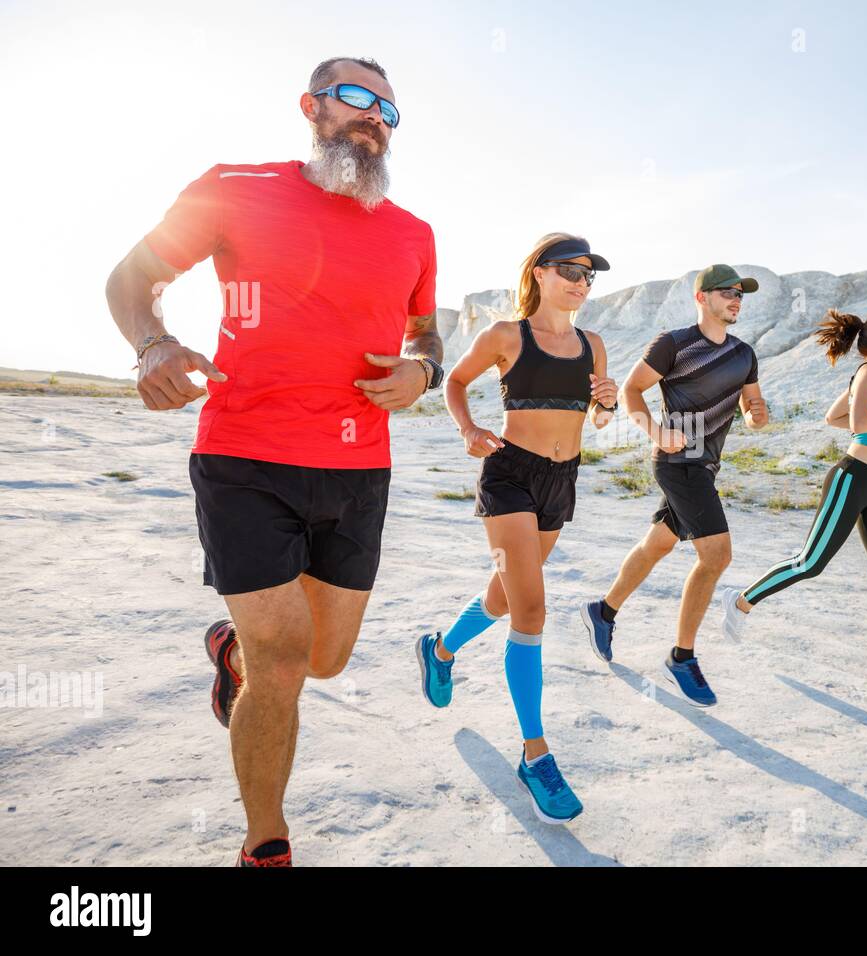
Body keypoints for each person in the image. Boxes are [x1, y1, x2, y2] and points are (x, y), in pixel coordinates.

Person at [105, 56, 442, 866]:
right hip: (245, 458)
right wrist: (152, 344)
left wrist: (424, 369)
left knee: (325, 660)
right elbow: (133, 276)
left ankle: (230, 649)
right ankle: (266, 844)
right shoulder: (236, 185)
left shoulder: (413, 233)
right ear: (312, 106)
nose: (376, 119)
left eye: (389, 111)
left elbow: (426, 332)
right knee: (285, 663)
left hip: (360, 471)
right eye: (359, 99)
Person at [416, 233, 617, 824]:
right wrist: (468, 429)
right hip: (508, 477)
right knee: (531, 611)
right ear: (540, 272)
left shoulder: (593, 343)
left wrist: (604, 403)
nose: (581, 283)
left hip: (562, 480)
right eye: (571, 271)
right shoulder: (507, 335)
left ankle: (441, 649)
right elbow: (454, 383)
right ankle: (535, 755)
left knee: (504, 599)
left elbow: (600, 419)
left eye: (589, 275)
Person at [719, 309, 867, 700]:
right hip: (852, 479)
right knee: (810, 563)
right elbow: (857, 424)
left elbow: (833, 417)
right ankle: (740, 602)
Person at [579, 264, 768, 706]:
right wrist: (656, 433)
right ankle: (681, 657)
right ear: (702, 298)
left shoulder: (745, 353)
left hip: (707, 465)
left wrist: (756, 414)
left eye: (741, 293)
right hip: (678, 462)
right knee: (717, 554)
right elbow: (631, 390)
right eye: (727, 292)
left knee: (659, 544)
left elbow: (751, 401)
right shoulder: (674, 344)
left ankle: (602, 612)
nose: (736, 298)